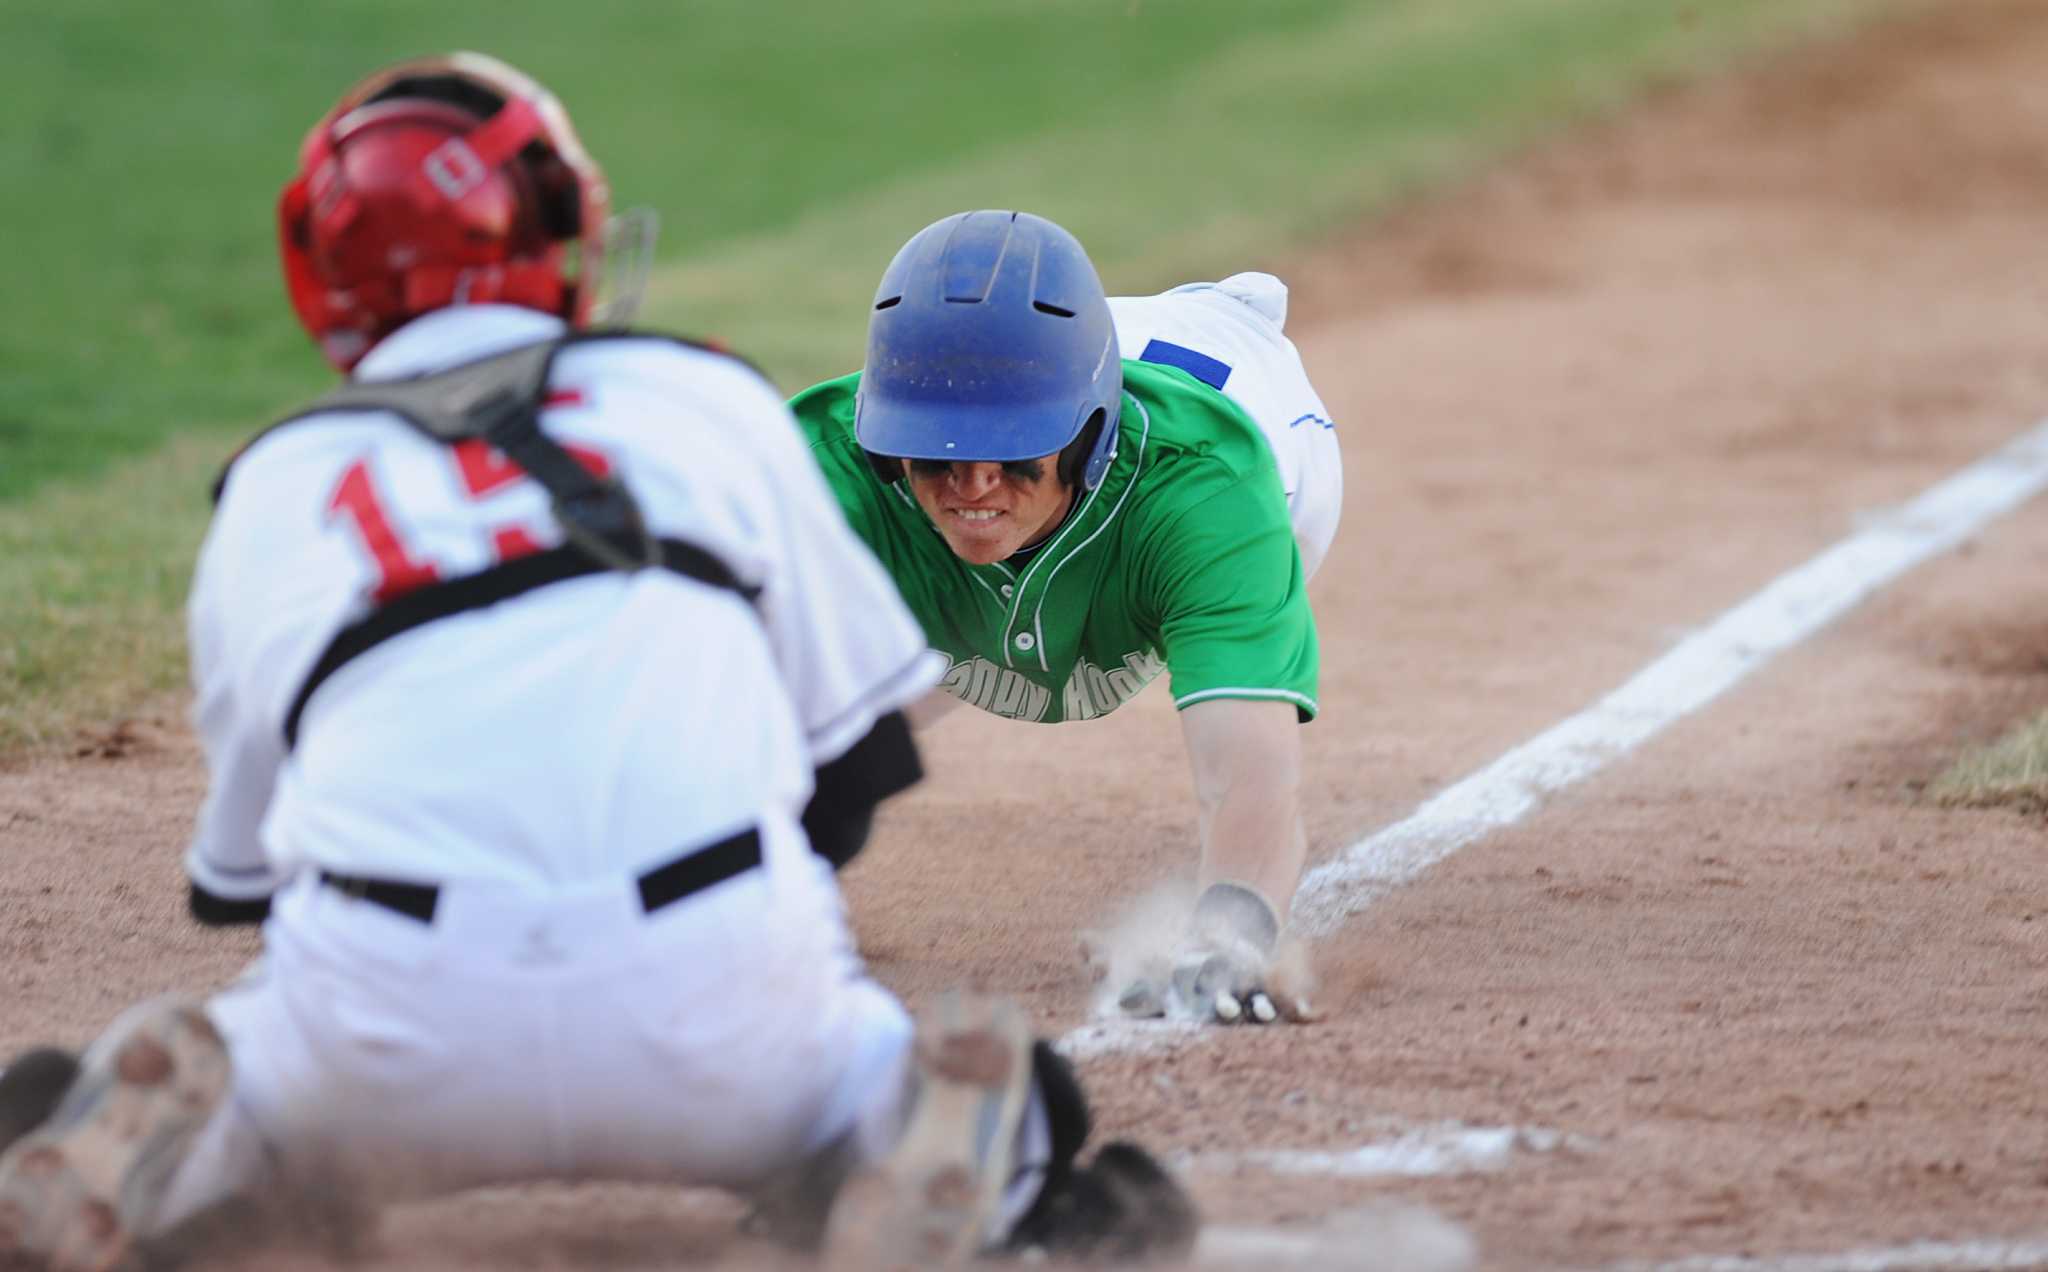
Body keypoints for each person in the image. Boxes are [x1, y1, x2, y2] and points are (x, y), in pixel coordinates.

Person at [0, 57, 1194, 1271]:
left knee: (180, 1086)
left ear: (324, 280)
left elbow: (239, 883)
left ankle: (185, 1169)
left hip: (386, 1031)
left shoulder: (273, 483)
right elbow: (851, 775)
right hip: (717, 1011)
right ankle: (909, 1150)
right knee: (1006, 1098)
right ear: (557, 237)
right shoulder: (705, 397)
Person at [788, 210, 1343, 1027]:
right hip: (1058, 362)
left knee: (1224, 650)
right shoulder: (814, 469)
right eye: (935, 448)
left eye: (1013, 448)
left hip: (1260, 417)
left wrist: (1231, 930)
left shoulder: (1211, 495)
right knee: (832, 695)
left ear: (1087, 436)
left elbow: (1249, 771)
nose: (974, 482)